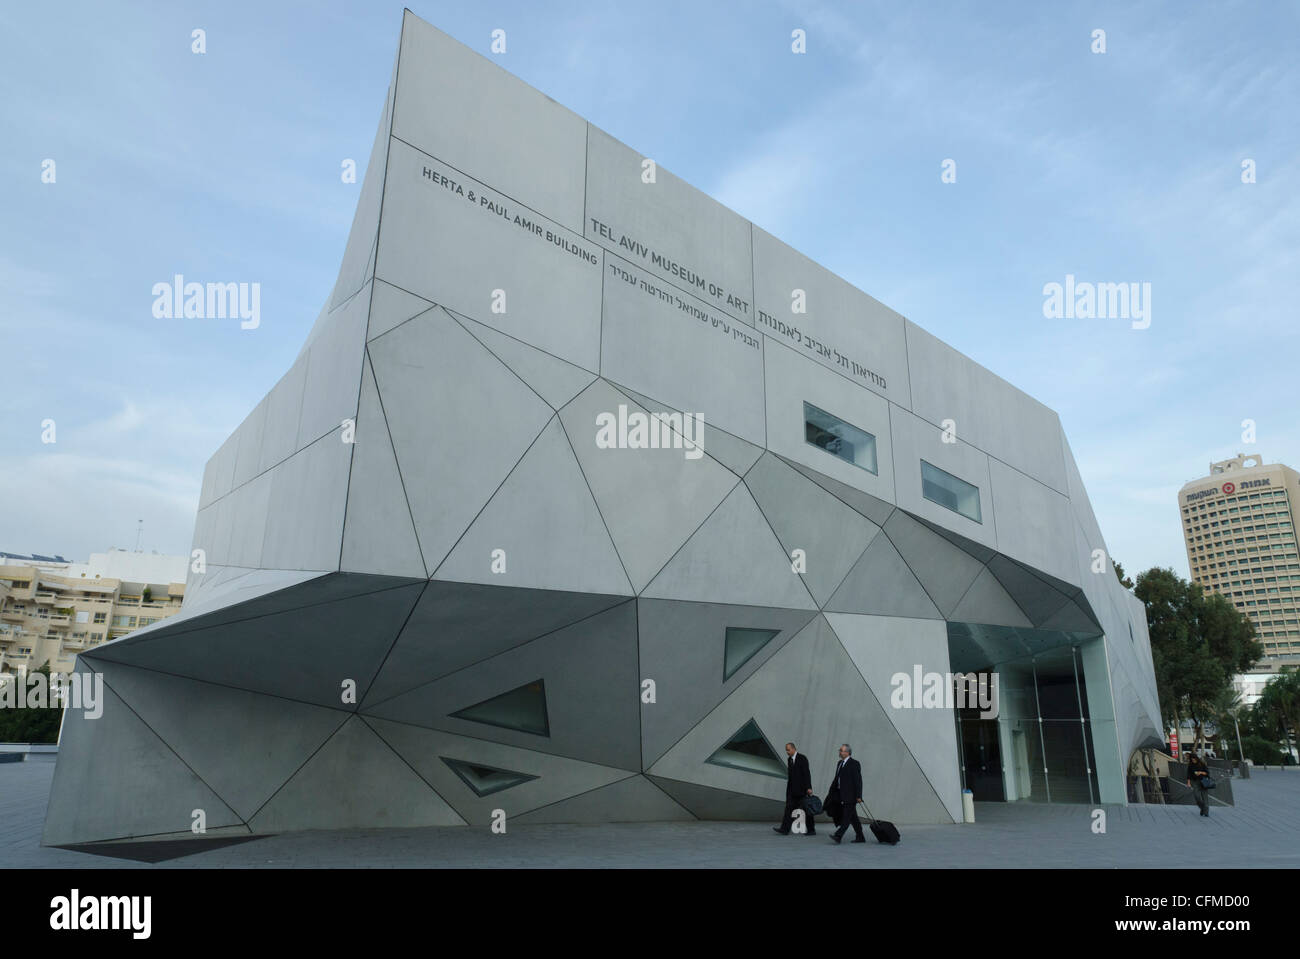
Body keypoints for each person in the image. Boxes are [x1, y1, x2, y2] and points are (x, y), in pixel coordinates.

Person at [774, 742, 815, 835]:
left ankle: (812, 830)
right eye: (786, 750)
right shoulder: (789, 760)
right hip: (792, 791)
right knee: (788, 809)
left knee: (807, 810)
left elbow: (806, 773)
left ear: (793, 749)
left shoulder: (802, 758)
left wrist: (809, 787)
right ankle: (784, 829)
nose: (787, 752)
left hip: (802, 790)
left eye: (788, 750)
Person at [827, 743, 865, 843]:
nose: (840, 752)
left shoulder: (854, 763)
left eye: (842, 750)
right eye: (840, 750)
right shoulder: (839, 763)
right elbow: (837, 778)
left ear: (847, 752)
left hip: (851, 795)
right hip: (840, 794)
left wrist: (859, 796)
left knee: (847, 817)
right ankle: (860, 837)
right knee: (853, 818)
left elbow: (858, 781)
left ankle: (838, 836)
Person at [1186, 749, 1211, 817]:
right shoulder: (1190, 765)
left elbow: (1207, 773)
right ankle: (1202, 808)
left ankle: (1206, 812)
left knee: (1205, 797)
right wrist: (1188, 783)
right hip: (1195, 782)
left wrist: (1200, 772)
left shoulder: (1202, 763)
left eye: (1194, 759)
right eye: (1192, 760)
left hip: (1203, 781)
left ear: (1197, 758)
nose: (1193, 761)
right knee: (1196, 796)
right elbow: (1188, 774)